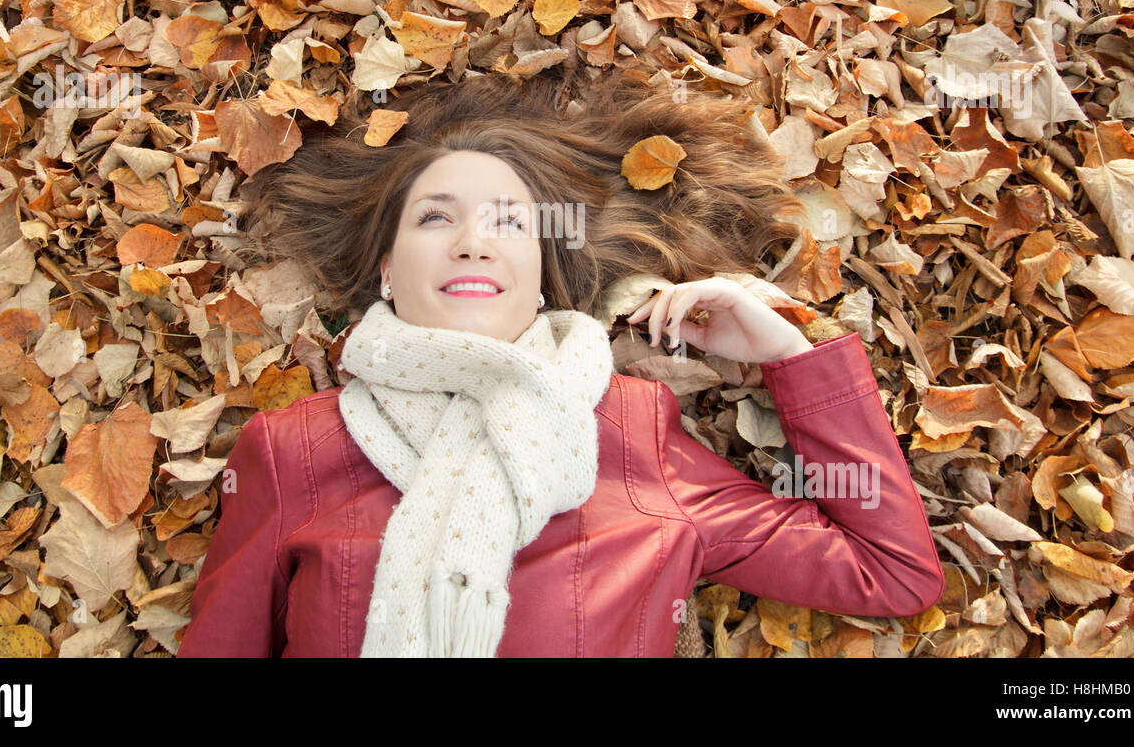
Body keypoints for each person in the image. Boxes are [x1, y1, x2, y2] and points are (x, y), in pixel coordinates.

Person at [176, 66, 944, 657]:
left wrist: (789, 355)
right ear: (385, 270)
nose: (472, 241)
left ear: (543, 276)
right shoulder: (291, 454)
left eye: (509, 222)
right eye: (435, 218)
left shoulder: (636, 437)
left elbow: (892, 572)